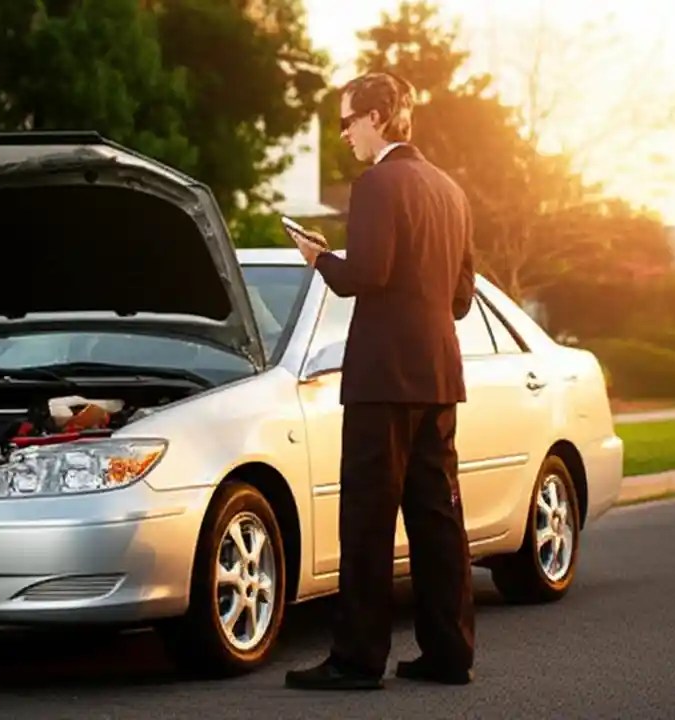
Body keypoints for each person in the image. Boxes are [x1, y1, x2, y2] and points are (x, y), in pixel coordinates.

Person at [283, 72, 477, 691]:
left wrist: (320, 258)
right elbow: (462, 298)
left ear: (379, 117)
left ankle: (356, 660)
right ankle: (449, 654)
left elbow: (364, 273)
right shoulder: (450, 191)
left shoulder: (376, 185)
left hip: (381, 381)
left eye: (346, 121)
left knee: (366, 519)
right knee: (437, 519)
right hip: (438, 377)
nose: (342, 134)